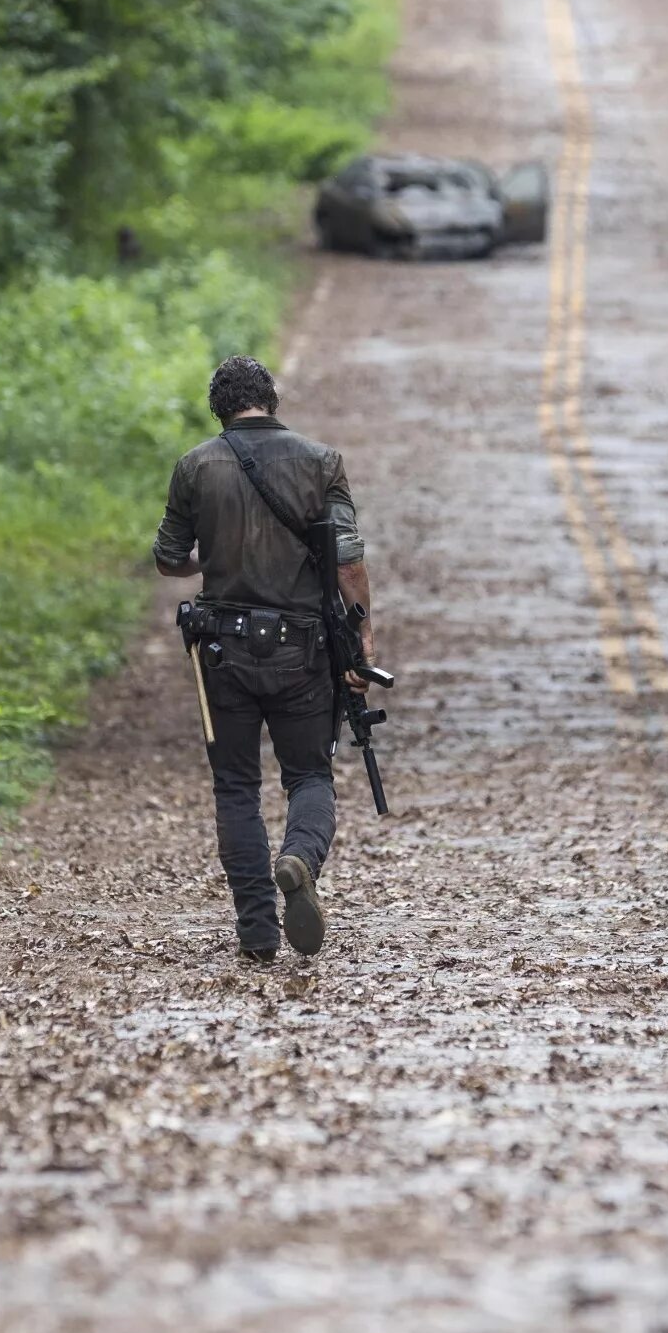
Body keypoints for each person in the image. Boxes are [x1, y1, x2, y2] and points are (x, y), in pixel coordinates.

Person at [154, 355, 378, 961]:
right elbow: (350, 561)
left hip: (221, 648)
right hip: (301, 648)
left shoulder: (194, 466)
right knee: (308, 774)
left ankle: (255, 930)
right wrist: (360, 638)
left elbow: (170, 557)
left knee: (235, 787)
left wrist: (216, 558)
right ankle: (299, 859)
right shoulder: (321, 462)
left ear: (218, 408)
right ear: (271, 401)